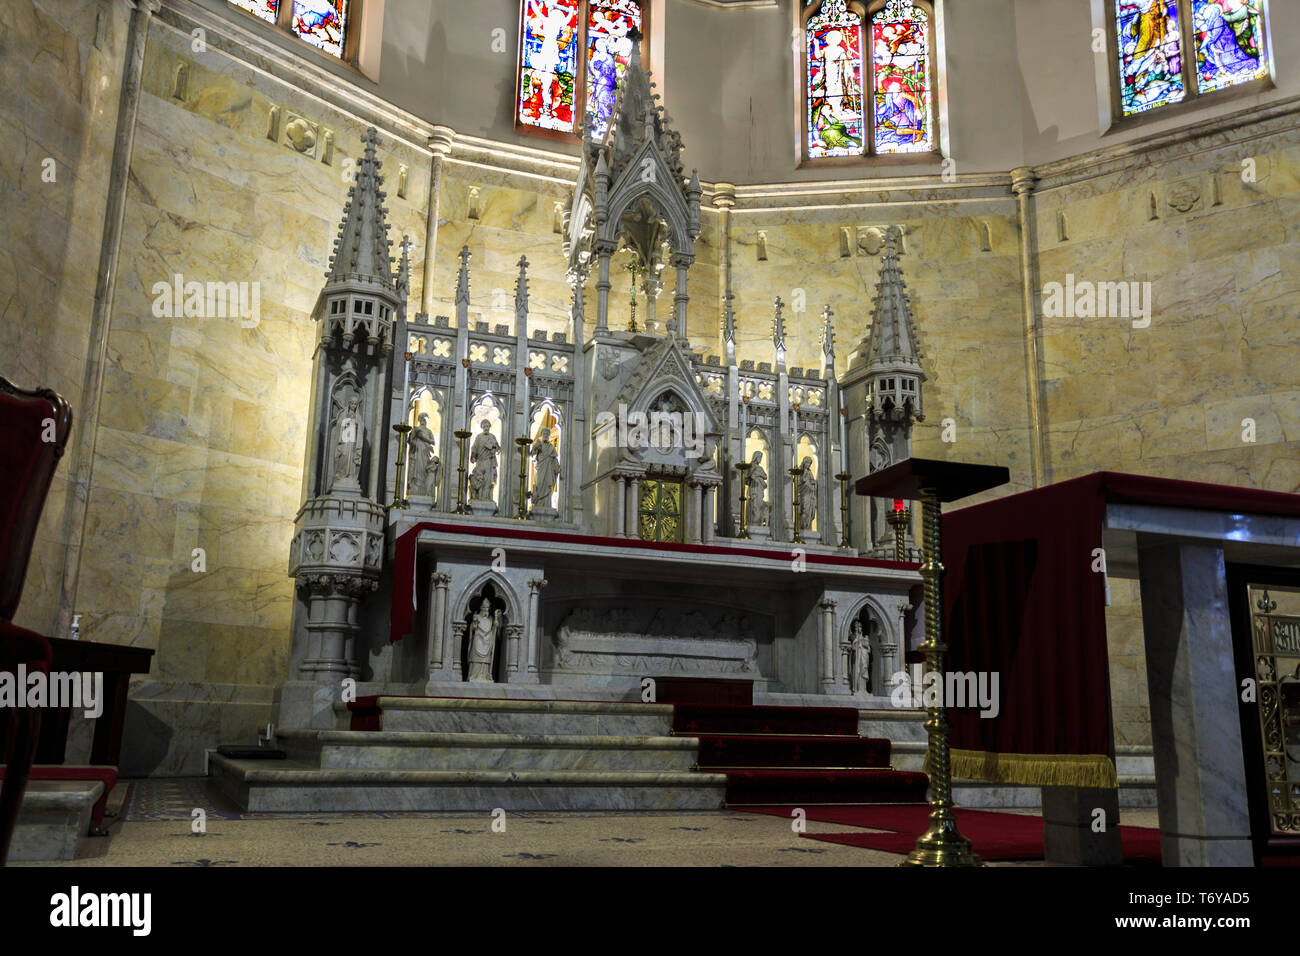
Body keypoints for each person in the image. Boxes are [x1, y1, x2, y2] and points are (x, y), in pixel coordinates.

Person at [466, 598, 502, 682]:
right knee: (476, 659)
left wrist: (496, 624)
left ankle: (485, 676)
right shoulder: (477, 616)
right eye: (484, 608)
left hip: (488, 642)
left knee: (485, 662)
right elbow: (473, 628)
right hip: (478, 640)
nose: (486, 610)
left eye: (487, 608)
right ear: (481, 608)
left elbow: (493, 630)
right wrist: (474, 622)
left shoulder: (491, 619)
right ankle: (474, 676)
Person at [407, 413, 438, 497]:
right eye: (421, 419)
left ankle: (424, 489)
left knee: (424, 469)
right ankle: (415, 488)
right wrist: (415, 442)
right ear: (419, 420)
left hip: (425, 452)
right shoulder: (415, 429)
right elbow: (410, 441)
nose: (423, 421)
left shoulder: (428, 431)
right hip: (417, 451)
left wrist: (423, 438)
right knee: (416, 470)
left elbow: (433, 442)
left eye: (424, 419)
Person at [469, 420, 499, 502]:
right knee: (480, 479)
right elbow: (474, 447)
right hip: (480, 461)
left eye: (487, 426)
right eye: (484, 426)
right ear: (482, 427)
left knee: (488, 480)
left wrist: (493, 447)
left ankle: (487, 498)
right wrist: (473, 456)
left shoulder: (492, 437)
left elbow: (498, 448)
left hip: (489, 461)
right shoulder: (479, 437)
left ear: (489, 427)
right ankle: (479, 497)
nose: (486, 428)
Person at [530, 427, 561, 505]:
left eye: (547, 434)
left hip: (549, 469)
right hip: (540, 468)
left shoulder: (551, 447)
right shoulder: (538, 444)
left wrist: (557, 468)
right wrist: (536, 447)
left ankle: (546, 503)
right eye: (544, 434)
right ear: (542, 435)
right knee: (539, 483)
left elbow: (554, 459)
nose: (546, 435)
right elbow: (532, 455)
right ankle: (538, 502)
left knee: (548, 484)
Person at [747, 450, 768, 526]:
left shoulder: (760, 468)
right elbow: (747, 477)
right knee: (754, 505)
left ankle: (758, 523)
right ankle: (753, 522)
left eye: (761, 458)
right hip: (753, 488)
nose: (760, 459)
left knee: (759, 504)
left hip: (760, 488)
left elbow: (765, 476)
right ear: (755, 457)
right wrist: (752, 475)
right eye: (759, 457)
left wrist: (759, 475)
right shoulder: (751, 466)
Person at [798, 456, 817, 531]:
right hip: (804, 493)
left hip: (810, 494)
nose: (808, 465)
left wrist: (813, 483)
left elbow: (813, 482)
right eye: (807, 463)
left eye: (809, 463)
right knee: (804, 510)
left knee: (810, 511)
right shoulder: (801, 472)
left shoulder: (810, 472)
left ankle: (808, 526)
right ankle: (803, 526)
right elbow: (800, 482)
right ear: (804, 463)